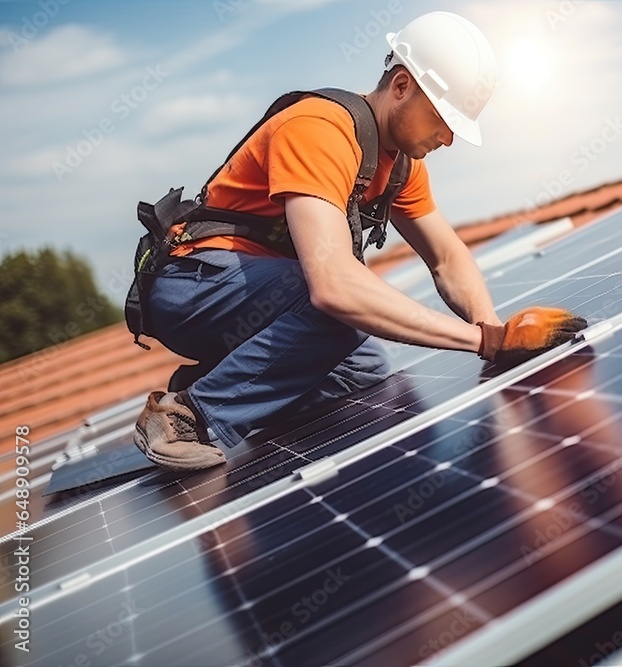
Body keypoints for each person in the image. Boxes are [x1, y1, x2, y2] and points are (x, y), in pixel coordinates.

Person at [132, 11, 587, 472]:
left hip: (258, 296)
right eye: (444, 118)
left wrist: (494, 327)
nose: (448, 138)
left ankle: (214, 378)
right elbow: (333, 286)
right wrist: (483, 342)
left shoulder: (402, 166)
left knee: (364, 365)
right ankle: (184, 415)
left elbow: (447, 258)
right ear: (403, 85)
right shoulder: (319, 129)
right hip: (192, 284)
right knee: (341, 308)